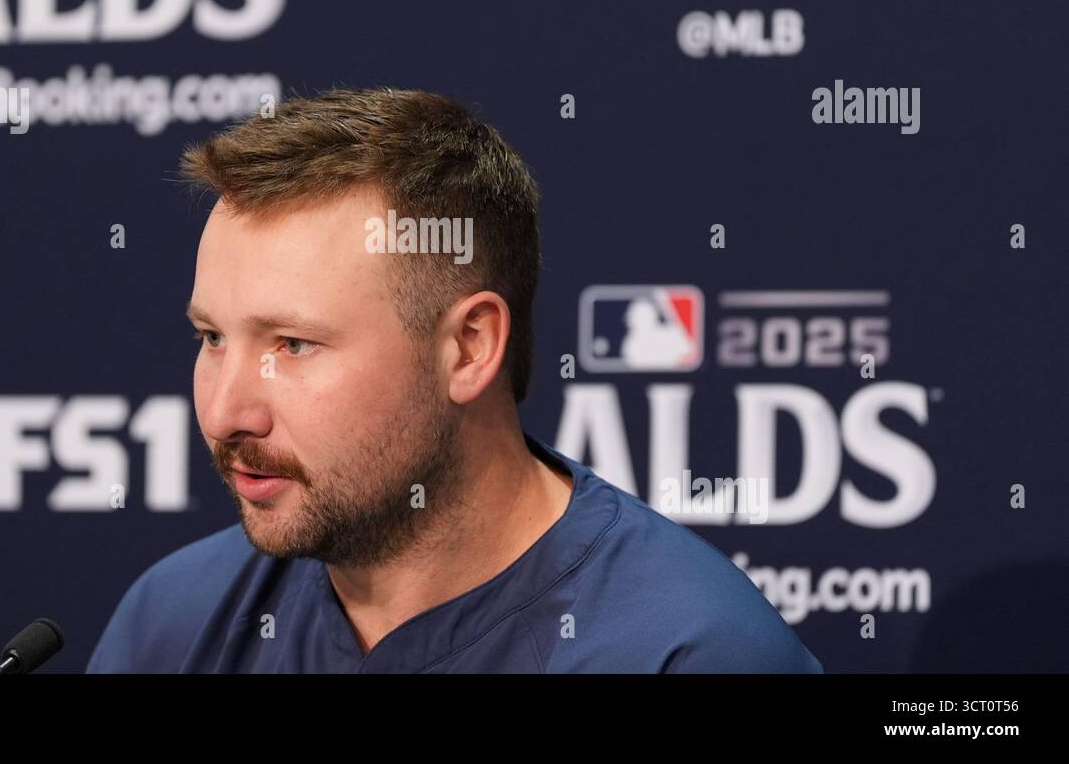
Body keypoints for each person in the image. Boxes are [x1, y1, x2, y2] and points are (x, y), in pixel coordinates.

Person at [87, 87, 823, 673]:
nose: (225, 411)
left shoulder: (686, 651)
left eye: (294, 343)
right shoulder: (171, 622)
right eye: (212, 338)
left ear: (469, 348)